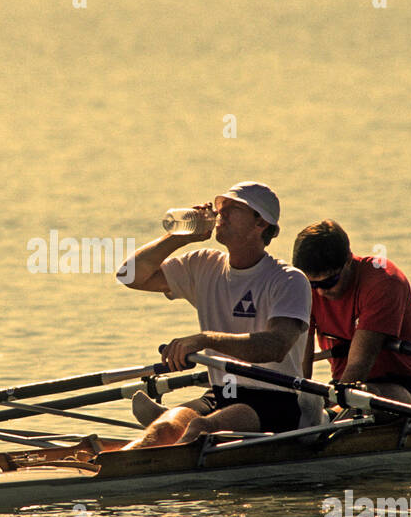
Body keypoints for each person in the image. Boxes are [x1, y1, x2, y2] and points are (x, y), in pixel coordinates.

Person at [116, 182, 325, 449]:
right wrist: (180, 237)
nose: (219, 214)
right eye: (219, 207)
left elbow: (276, 346)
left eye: (232, 209)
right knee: (164, 428)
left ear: (260, 223)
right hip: (221, 393)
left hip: (275, 400)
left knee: (201, 428)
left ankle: (170, 460)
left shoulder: (288, 280)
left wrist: (205, 340)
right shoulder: (204, 264)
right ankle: (122, 463)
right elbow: (128, 276)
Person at [291, 219, 411, 408]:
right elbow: (300, 365)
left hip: (403, 389)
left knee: (362, 395)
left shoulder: (382, 281)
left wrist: (328, 415)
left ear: (348, 260)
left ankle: (329, 420)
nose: (320, 292)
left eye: (328, 282)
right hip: (343, 388)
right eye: (312, 284)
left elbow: (359, 365)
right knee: (301, 402)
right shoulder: (303, 288)